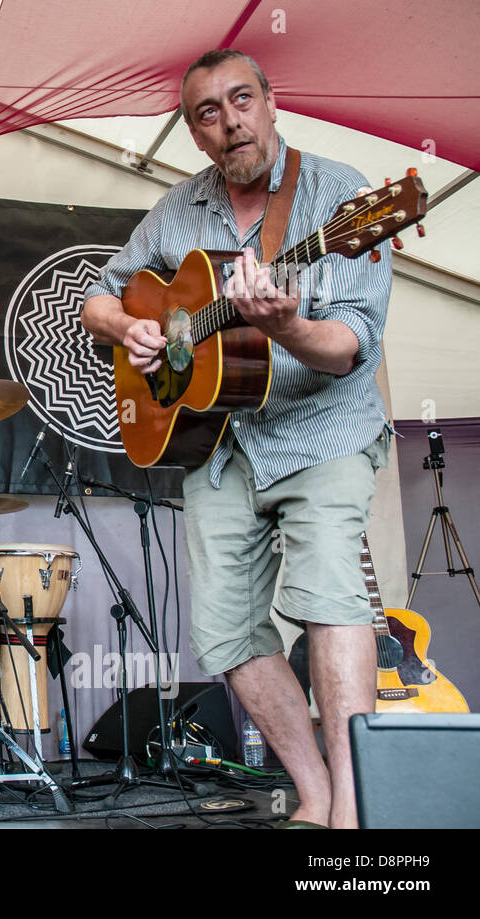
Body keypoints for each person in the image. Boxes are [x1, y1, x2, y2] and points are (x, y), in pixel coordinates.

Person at [81, 49, 392, 828]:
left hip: (320, 430)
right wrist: (135, 328)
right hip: (221, 444)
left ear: (271, 101)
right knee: (223, 632)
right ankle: (313, 794)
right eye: (207, 113)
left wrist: (288, 324)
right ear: (193, 132)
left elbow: (351, 346)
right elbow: (98, 298)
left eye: (241, 99)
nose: (230, 122)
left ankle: (352, 817)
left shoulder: (342, 197)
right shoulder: (179, 209)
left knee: (329, 600)